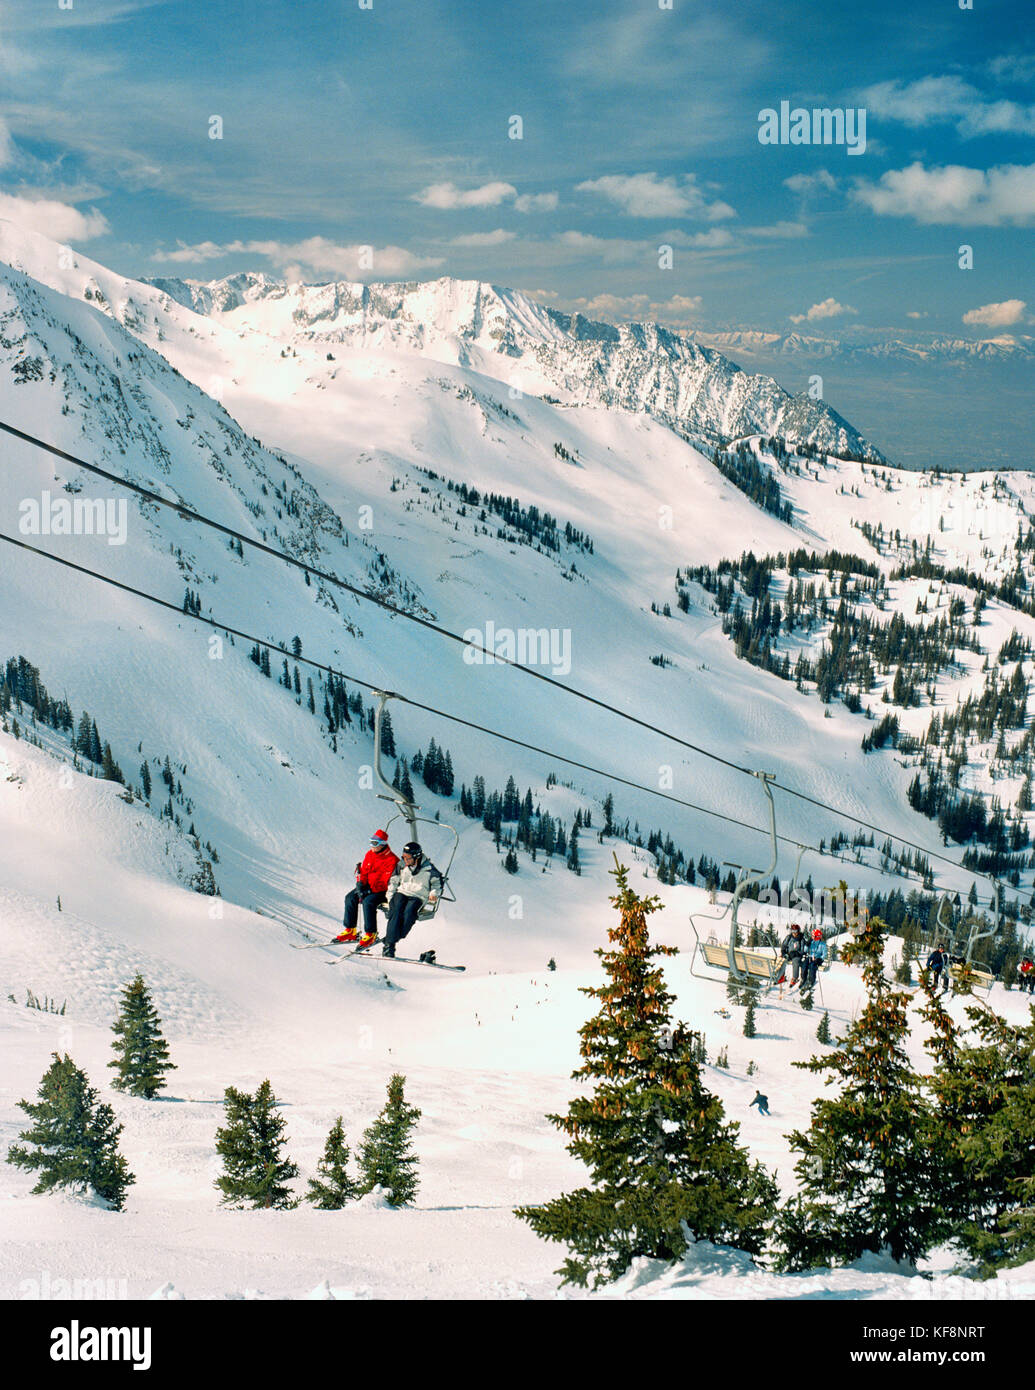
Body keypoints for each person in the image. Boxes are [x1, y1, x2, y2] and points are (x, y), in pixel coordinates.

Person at [335, 830, 398, 947]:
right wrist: (360, 884)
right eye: (371, 842)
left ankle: (371, 933)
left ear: (382, 844)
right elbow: (363, 871)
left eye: (374, 843)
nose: (372, 846)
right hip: (367, 886)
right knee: (350, 898)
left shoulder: (392, 860)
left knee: (368, 901)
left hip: (382, 890)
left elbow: (386, 881)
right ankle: (350, 930)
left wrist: (369, 891)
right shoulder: (369, 854)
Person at [382, 841, 442, 958]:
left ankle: (393, 937)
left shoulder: (430, 869)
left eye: (408, 858)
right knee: (396, 909)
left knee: (409, 913)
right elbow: (393, 881)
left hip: (418, 896)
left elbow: (437, 885)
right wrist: (390, 897)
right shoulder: (401, 865)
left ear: (417, 857)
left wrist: (434, 893)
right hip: (402, 892)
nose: (405, 860)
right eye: (403, 857)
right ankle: (389, 946)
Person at [779, 923, 805, 990]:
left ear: (798, 931)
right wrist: (783, 952)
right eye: (792, 931)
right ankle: (781, 976)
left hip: (797, 955)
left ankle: (795, 978)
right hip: (789, 954)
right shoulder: (789, 937)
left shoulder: (801, 939)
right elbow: (784, 945)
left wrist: (797, 953)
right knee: (782, 960)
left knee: (796, 962)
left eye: (795, 931)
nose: (794, 933)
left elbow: (802, 950)